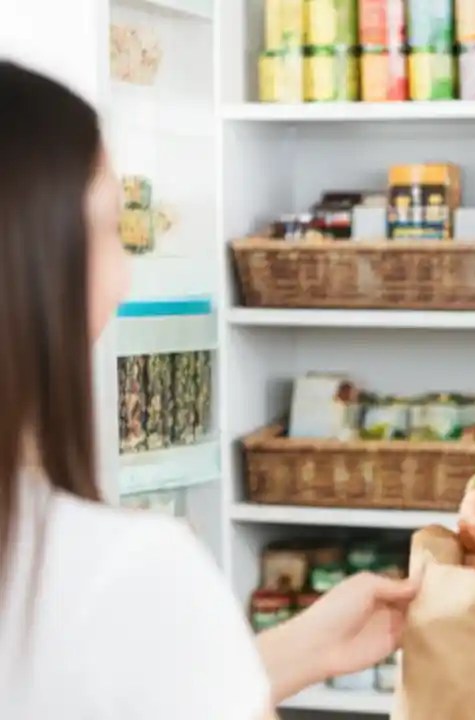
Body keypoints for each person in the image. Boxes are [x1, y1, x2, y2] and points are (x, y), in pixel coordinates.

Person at [0, 62, 415, 718]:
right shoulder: (126, 569)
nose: (126, 275)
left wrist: (300, 649)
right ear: (44, 268)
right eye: (113, 229)